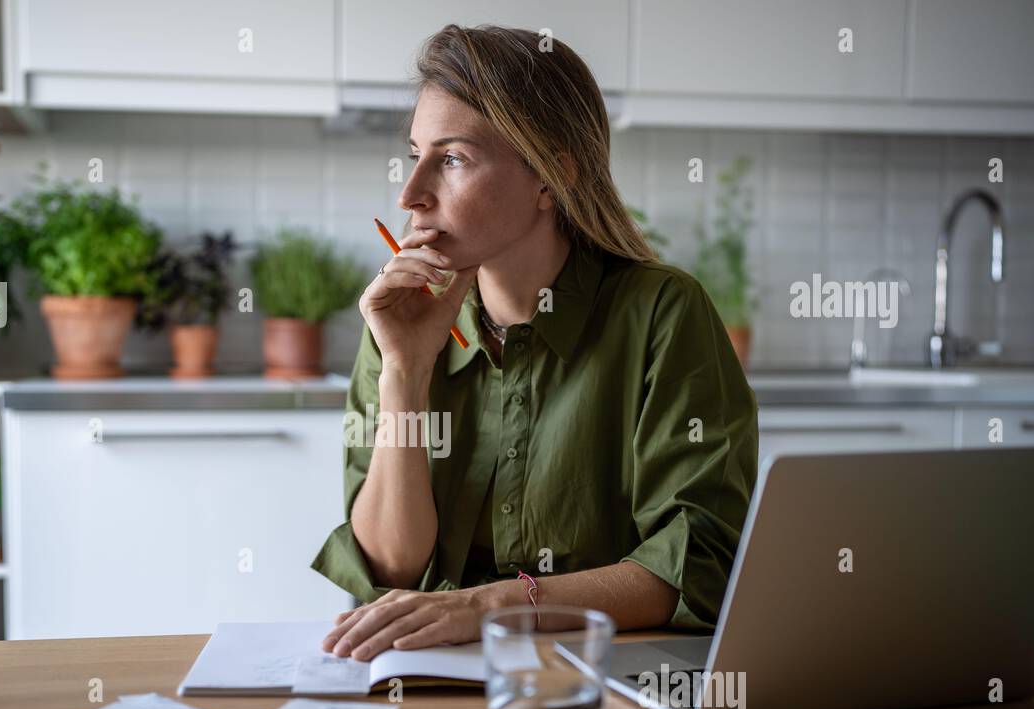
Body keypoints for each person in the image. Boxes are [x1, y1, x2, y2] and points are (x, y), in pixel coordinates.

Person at [311, 25, 758, 661]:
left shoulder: (662, 312)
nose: (410, 195)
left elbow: (694, 561)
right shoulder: (399, 322)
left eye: (454, 158)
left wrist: (488, 605)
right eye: (416, 155)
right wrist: (405, 374)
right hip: (430, 678)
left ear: (550, 176)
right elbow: (391, 571)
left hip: (606, 684)